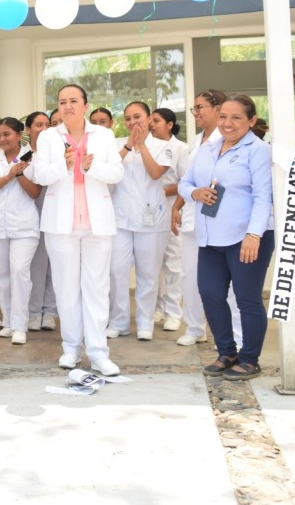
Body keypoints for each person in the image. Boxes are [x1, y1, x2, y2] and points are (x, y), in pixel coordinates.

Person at [31, 84, 124, 376]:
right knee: (66, 288)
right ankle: (71, 348)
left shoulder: (105, 135)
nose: (68, 106)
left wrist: (89, 167)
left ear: (85, 105)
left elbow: (116, 173)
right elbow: (39, 175)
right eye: (62, 102)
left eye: (73, 101)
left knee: (97, 288)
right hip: (61, 222)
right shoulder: (48, 136)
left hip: (97, 223)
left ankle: (98, 354)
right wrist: (65, 163)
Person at [179, 95, 274, 381]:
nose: (228, 124)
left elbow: (262, 196)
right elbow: (185, 182)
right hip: (210, 237)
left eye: (236, 118)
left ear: (251, 121)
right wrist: (195, 193)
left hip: (246, 237)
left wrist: (253, 234)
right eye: (223, 117)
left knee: (247, 299)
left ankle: (249, 359)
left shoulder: (257, 150)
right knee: (209, 293)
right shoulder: (208, 149)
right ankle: (227, 352)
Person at [171, 89, 236, 347]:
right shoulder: (195, 141)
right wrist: (177, 206)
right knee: (190, 274)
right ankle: (195, 327)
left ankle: (232, 333)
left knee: (225, 279)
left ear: (218, 107)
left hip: (220, 218)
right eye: (194, 109)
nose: (196, 113)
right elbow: (188, 179)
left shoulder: (228, 138)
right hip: (192, 216)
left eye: (200, 107)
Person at [106, 101, 173, 341]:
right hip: (120, 219)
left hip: (151, 220)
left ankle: (145, 322)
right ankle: (119, 321)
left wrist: (141, 145)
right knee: (116, 271)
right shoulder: (116, 145)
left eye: (138, 117)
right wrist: (128, 145)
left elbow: (155, 173)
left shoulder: (163, 146)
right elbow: (109, 172)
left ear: (149, 118)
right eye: (128, 118)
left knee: (148, 273)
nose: (133, 122)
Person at [0, 117, 42, 344]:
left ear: (20, 135)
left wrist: (19, 175)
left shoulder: (33, 159)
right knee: (1, 275)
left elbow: (35, 193)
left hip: (24, 226)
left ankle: (20, 325)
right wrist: (9, 175)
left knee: (19, 271)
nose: (2, 139)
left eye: (7, 134)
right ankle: (9, 321)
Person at [149, 108, 187, 333]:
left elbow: (186, 182)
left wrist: (160, 192)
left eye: (157, 121)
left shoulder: (181, 149)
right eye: (150, 121)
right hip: (149, 211)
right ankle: (158, 308)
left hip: (173, 207)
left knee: (173, 264)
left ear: (170, 124)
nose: (152, 125)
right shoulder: (147, 148)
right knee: (152, 264)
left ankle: (174, 312)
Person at [24, 111, 57, 332]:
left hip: (54, 212)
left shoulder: (58, 153)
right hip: (30, 214)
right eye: (38, 125)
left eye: (48, 124)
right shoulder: (23, 156)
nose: (44, 128)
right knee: (36, 266)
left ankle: (50, 312)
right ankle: (34, 312)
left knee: (53, 265)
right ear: (28, 130)